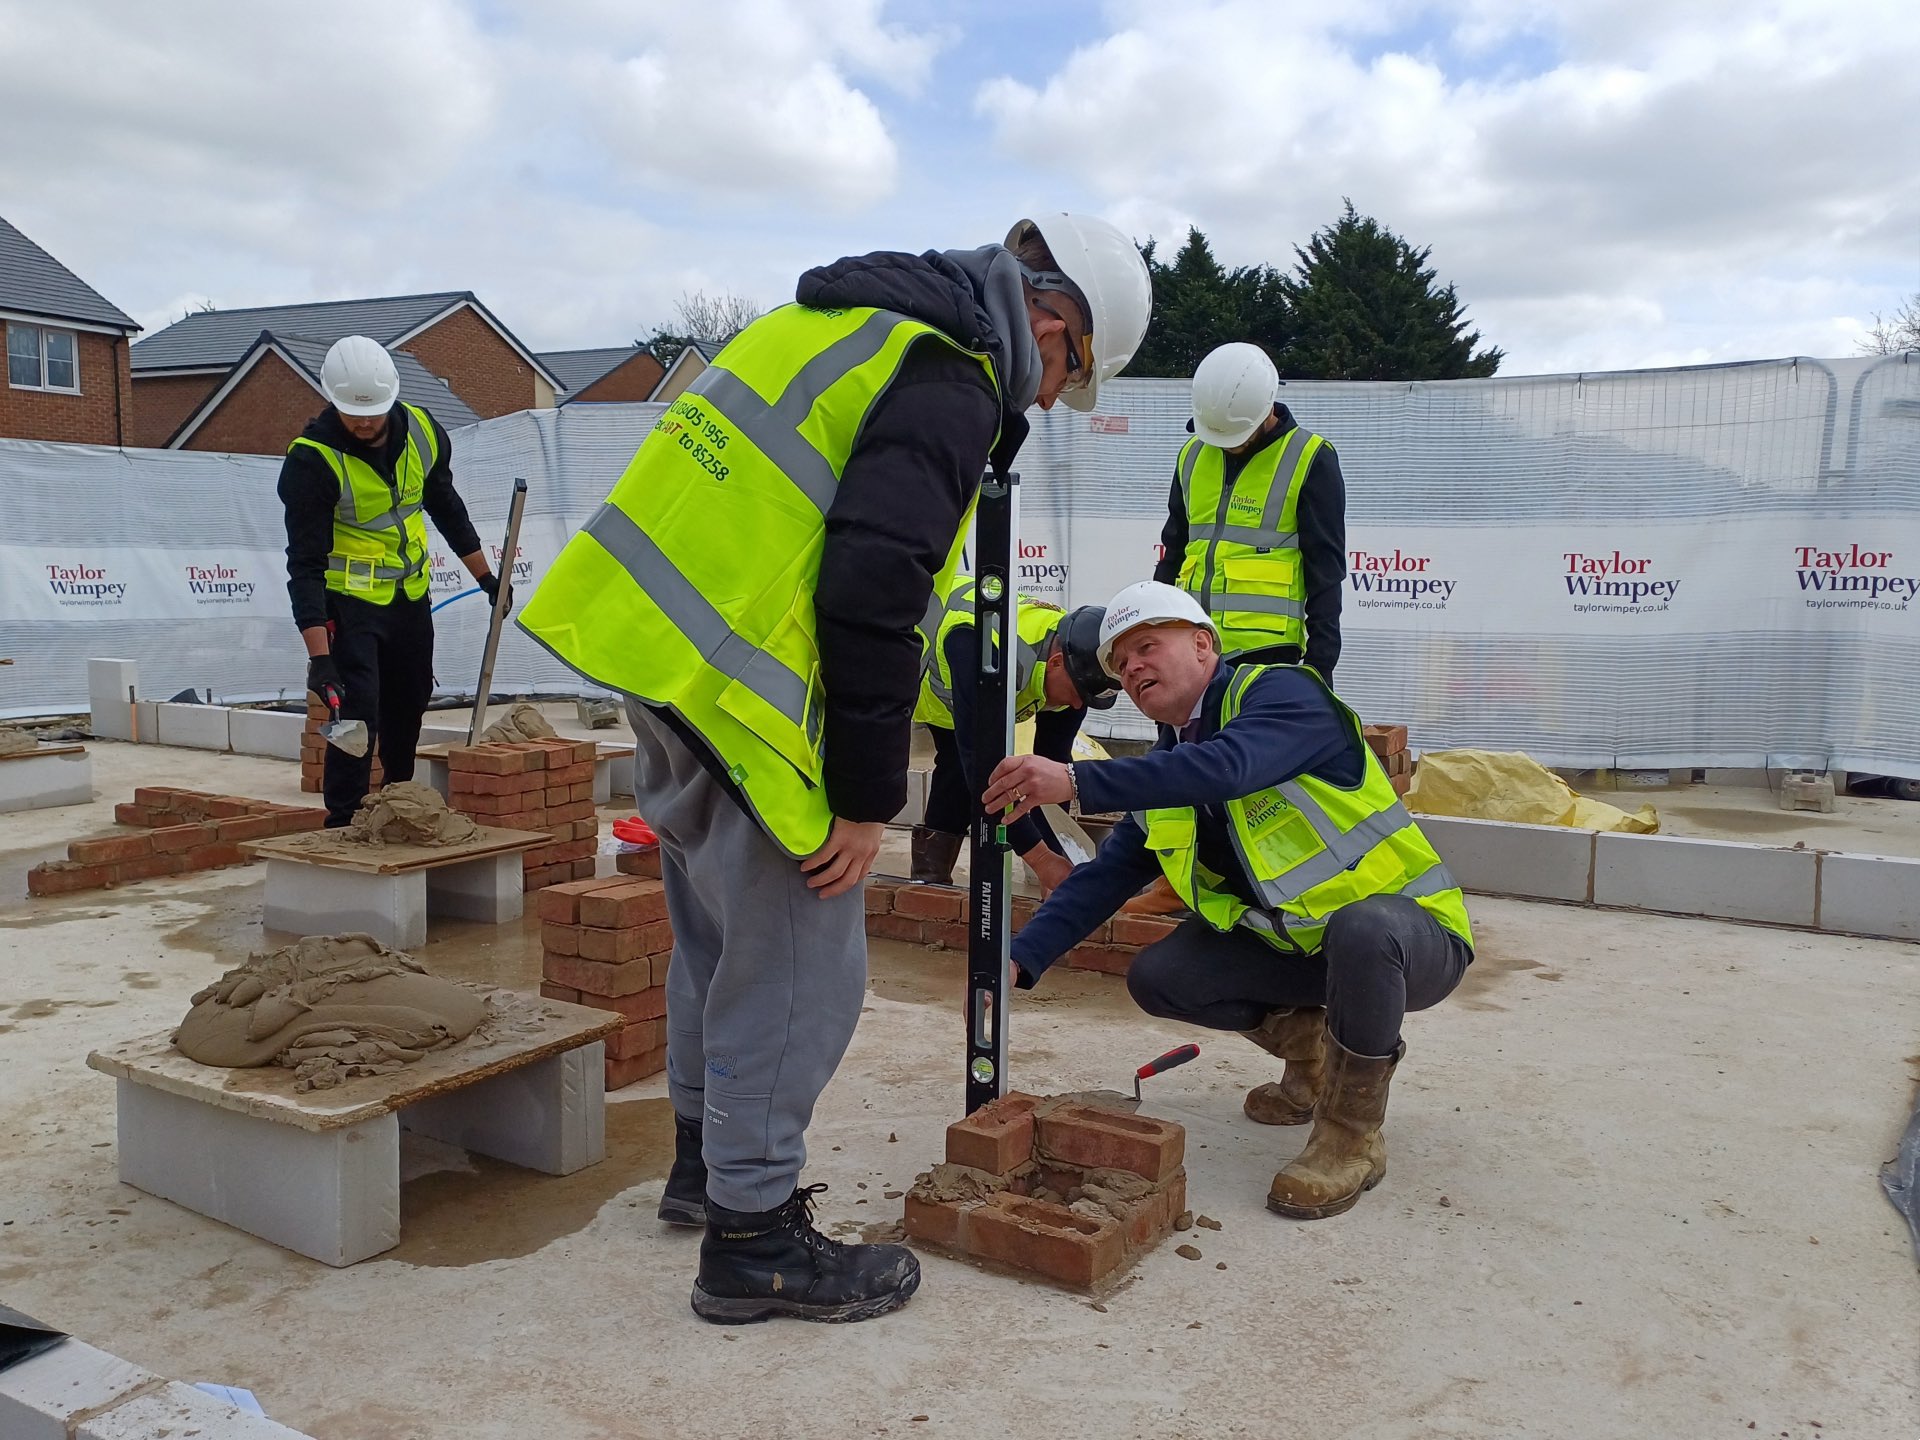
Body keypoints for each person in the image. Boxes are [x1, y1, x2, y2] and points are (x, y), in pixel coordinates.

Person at [518, 215, 1151, 1323]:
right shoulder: (947, 374)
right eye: (1066, 376)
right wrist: (867, 801)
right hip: (737, 689)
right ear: (1052, 325)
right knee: (805, 970)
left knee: (717, 942)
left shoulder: (834, 321)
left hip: (661, 655)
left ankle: (701, 1170)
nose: (1046, 402)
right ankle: (755, 1242)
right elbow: (872, 590)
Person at [983, 581, 1473, 1220]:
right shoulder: (1172, 761)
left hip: (1409, 941)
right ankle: (1314, 1059)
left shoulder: (1281, 696)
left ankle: (1350, 1139)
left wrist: (1076, 780)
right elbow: (1106, 876)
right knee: (1164, 975)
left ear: (1203, 645)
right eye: (1121, 665)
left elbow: (1232, 766)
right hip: (1302, 949)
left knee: (1364, 927)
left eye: (1148, 647)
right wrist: (1018, 959)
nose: (1133, 669)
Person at [278, 335, 507, 827]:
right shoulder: (311, 461)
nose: (364, 422)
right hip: (349, 605)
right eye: (352, 412)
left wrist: (486, 577)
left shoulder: (424, 432)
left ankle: (400, 804)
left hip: (409, 600)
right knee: (357, 715)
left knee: (410, 700)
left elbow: (446, 506)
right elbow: (305, 564)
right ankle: (344, 823)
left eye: (373, 411)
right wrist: (320, 657)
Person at [1153, 342, 1347, 677]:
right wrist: (1154, 630)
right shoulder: (1193, 456)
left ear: (1266, 408)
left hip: (1266, 657)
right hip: (1189, 649)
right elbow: (1174, 553)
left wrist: (1319, 668)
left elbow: (1325, 574)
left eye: (1235, 436)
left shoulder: (1309, 457)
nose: (1227, 445)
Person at [910, 582, 1115, 889]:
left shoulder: (1076, 666)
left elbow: (1052, 767)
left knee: (961, 766)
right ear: (1056, 663)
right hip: (922, 669)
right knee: (958, 768)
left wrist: (1056, 858)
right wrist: (1041, 860)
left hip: (968, 686)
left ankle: (930, 880)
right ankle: (928, 882)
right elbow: (984, 769)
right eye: (1076, 695)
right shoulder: (983, 649)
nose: (1076, 706)